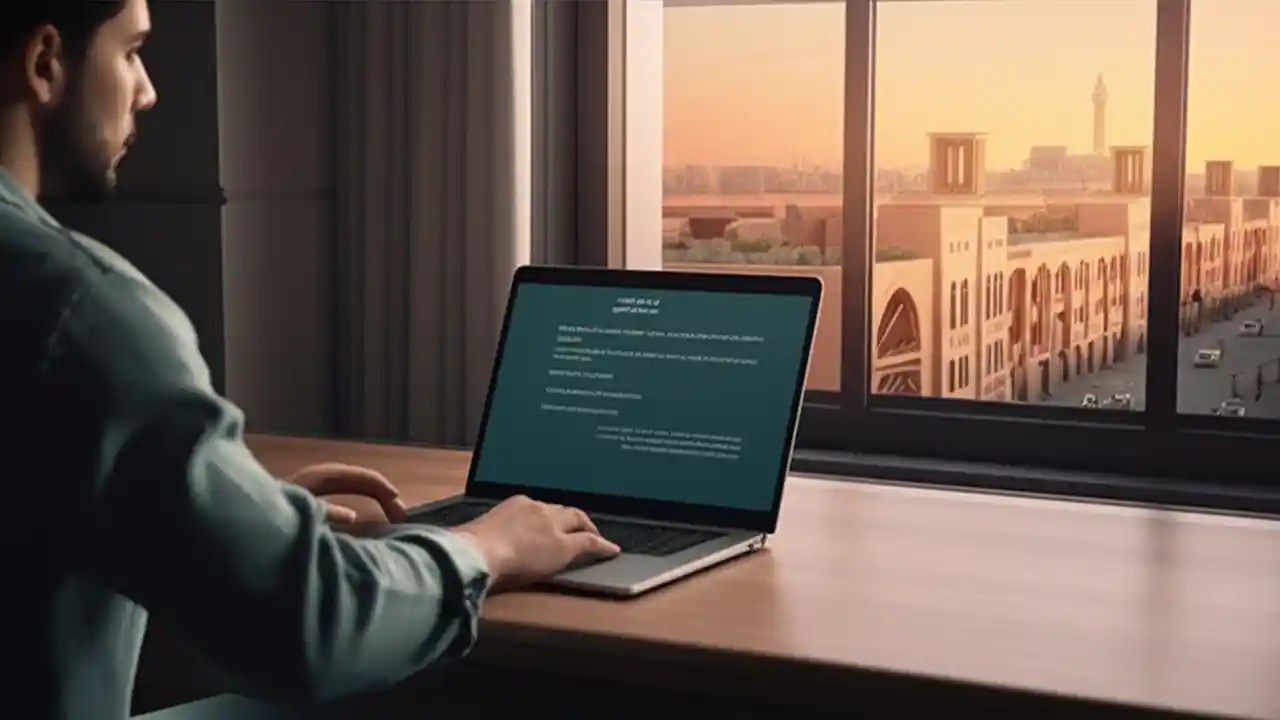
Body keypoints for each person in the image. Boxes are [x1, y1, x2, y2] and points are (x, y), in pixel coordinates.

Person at [1, 2, 620, 718]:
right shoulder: (81, 310)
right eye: (132, 50)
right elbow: (308, 629)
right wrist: (489, 548)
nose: (147, 90)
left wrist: (237, 513)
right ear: (45, 62)